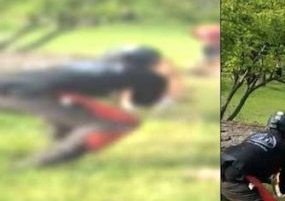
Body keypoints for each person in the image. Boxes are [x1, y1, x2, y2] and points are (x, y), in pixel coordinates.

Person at [0, 45, 177, 168]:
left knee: (77, 109)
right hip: (31, 94)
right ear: (152, 63)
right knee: (120, 123)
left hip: (11, 85)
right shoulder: (148, 75)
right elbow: (142, 102)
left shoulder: (83, 65)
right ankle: (38, 164)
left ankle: (59, 147)